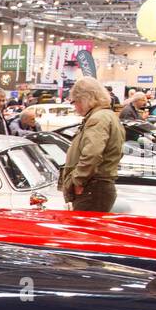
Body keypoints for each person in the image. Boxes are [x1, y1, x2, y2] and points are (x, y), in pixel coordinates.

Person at [58, 78, 124, 212]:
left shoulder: (98, 119)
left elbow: (92, 154)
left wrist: (77, 180)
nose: (75, 107)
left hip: (92, 188)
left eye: (74, 102)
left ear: (84, 98)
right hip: (96, 187)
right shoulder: (108, 116)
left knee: (82, 231)